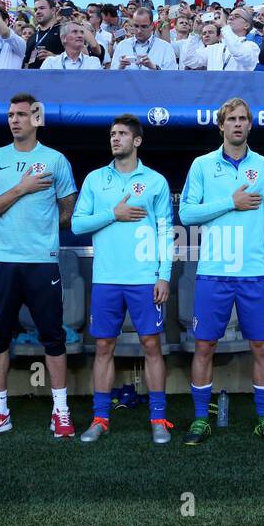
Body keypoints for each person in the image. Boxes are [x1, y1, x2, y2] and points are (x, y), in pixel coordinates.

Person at [179, 98, 264, 446]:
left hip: (255, 273)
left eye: (243, 119)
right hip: (213, 272)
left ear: (250, 125)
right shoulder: (201, 165)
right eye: (232, 119)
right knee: (205, 346)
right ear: (221, 126)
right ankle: (200, 419)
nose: (238, 124)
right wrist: (231, 202)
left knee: (262, 347)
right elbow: (186, 215)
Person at [0, 94, 78, 439]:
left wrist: (45, 225)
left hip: (42, 263)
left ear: (36, 119)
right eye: (10, 115)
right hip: (1, 263)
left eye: (21, 114)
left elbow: (68, 212)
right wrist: (21, 189)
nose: (14, 120)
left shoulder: (55, 160)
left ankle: (60, 411)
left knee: (53, 336)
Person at [73, 115, 174, 444]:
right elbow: (77, 225)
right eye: (112, 134)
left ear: (137, 141)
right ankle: (100, 419)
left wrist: (164, 276)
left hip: (145, 278)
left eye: (121, 134)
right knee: (103, 346)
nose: (115, 139)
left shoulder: (155, 182)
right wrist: (112, 214)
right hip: (106, 279)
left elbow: (165, 232)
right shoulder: (94, 180)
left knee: (151, 345)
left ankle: (158, 419)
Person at [180, 8, 259, 71]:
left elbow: (239, 53)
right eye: (230, 16)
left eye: (237, 16)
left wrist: (224, 26)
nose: (231, 17)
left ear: (246, 25)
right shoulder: (214, 48)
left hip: (238, 91)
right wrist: (195, 33)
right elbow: (189, 60)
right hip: (213, 91)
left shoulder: (252, 47)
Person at [110, 7, 178, 70]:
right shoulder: (122, 46)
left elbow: (171, 76)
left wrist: (154, 67)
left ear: (152, 26)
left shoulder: (165, 47)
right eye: (136, 26)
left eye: (144, 27)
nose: (139, 31)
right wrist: (120, 67)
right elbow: (112, 75)